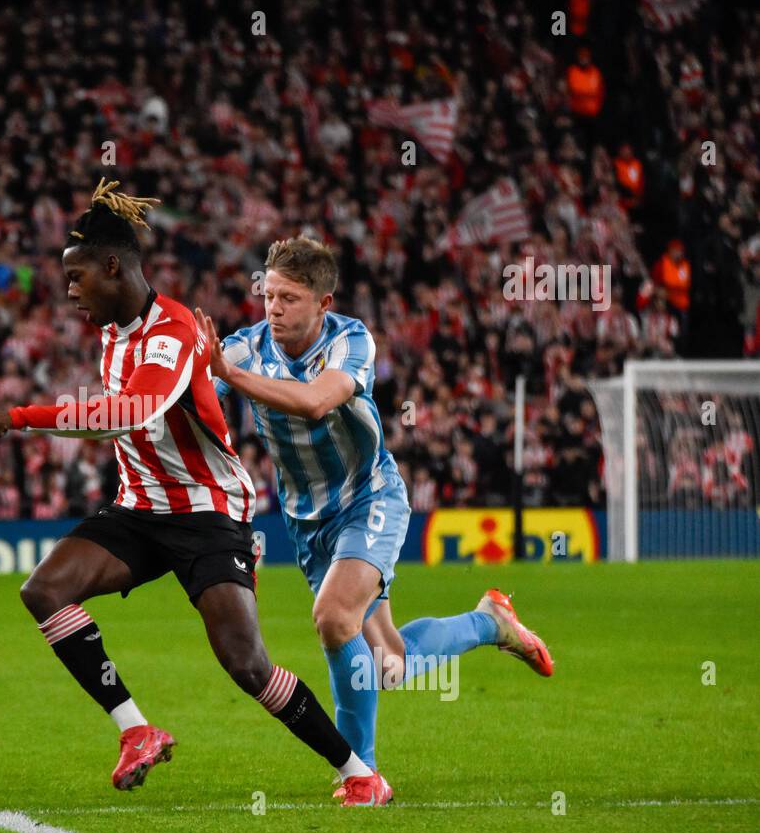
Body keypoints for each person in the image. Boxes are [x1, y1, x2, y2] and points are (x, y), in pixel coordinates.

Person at [0, 181, 384, 805]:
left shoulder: (173, 330)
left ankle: (359, 773)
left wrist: (22, 417)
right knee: (44, 590)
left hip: (209, 514)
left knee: (246, 666)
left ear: (114, 266)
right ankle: (136, 731)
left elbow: (129, 411)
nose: (71, 291)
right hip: (139, 508)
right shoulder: (113, 331)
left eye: (78, 277)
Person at [198, 236, 554, 802]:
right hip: (307, 523)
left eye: (290, 298)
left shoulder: (351, 340)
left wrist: (230, 377)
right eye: (269, 295)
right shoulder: (243, 350)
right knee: (389, 662)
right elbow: (193, 399)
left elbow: (318, 400)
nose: (275, 308)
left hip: (370, 498)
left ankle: (361, 773)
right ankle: (490, 623)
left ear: (324, 302)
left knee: (334, 618)